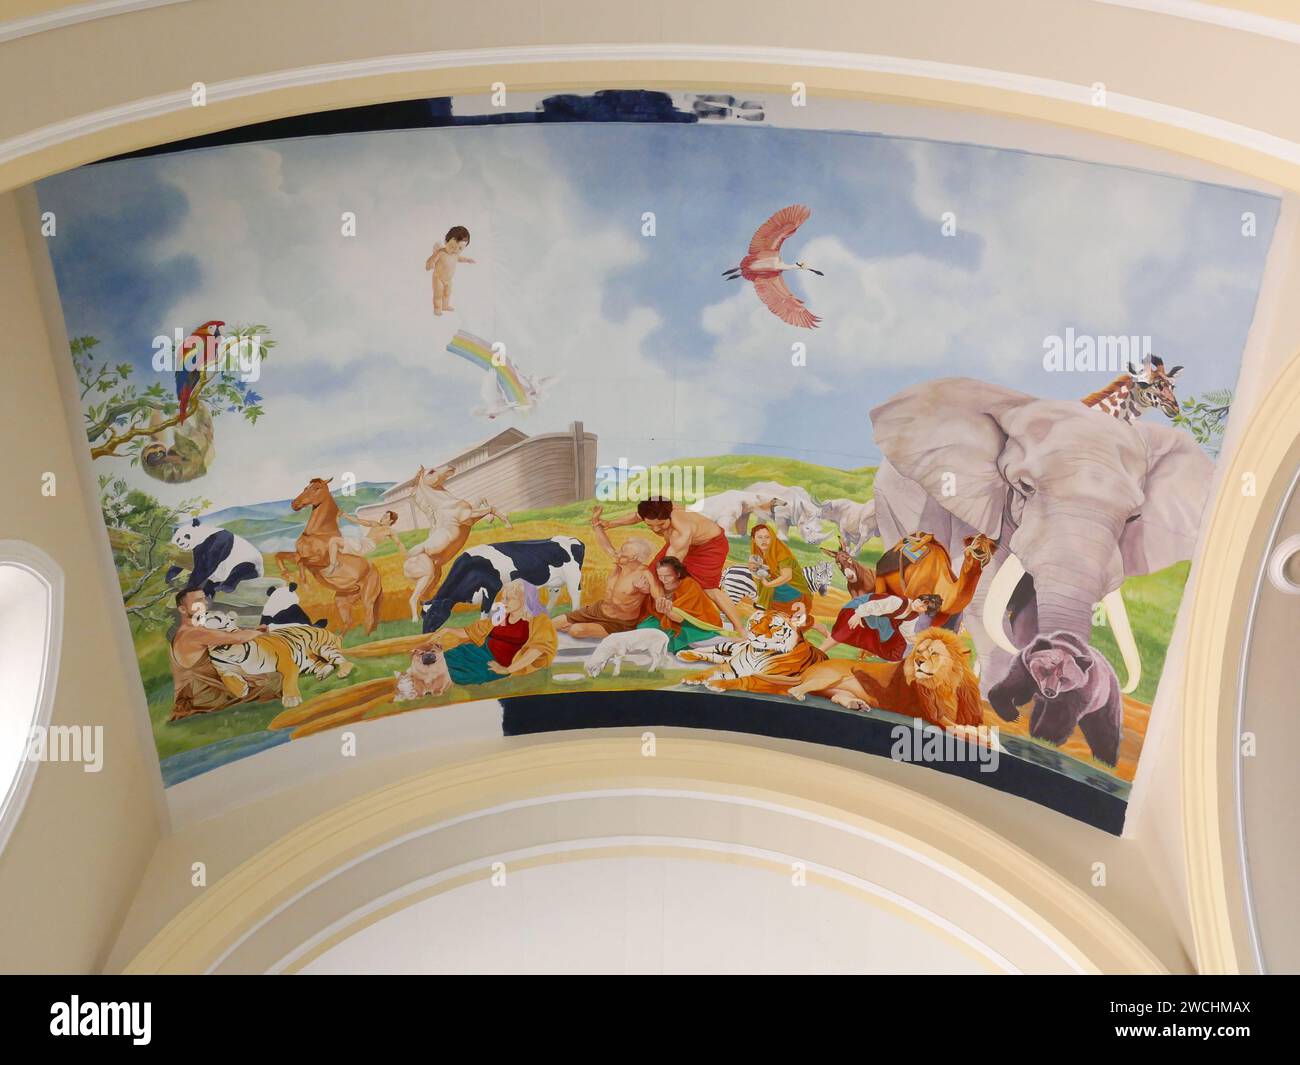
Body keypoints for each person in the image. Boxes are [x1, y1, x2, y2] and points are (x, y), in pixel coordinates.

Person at [596, 497, 744, 634]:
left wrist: (655, 587)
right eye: (650, 525)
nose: (656, 529)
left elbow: (669, 570)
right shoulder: (654, 509)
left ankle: (740, 630)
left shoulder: (680, 532)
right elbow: (636, 516)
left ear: (669, 516)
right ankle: (640, 620)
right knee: (649, 575)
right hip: (683, 544)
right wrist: (610, 524)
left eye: (661, 524)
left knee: (709, 589)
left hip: (709, 546)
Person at [167, 589, 280, 721]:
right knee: (275, 677)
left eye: (204, 599)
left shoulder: (194, 630)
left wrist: (252, 632)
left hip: (209, 690)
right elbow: (235, 638)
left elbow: (229, 638)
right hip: (205, 698)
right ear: (182, 609)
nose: (204, 604)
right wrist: (260, 633)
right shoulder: (192, 633)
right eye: (197, 601)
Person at [424, 579, 557, 684]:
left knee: (465, 676)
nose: (503, 602)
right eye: (503, 597)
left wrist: (507, 670)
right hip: (479, 650)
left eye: (508, 598)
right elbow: (474, 631)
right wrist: (448, 630)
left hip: (497, 662)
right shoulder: (502, 614)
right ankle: (420, 679)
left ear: (523, 600)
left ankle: (430, 682)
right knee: (445, 658)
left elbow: (537, 649)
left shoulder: (539, 620)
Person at [555, 509, 656, 638]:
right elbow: (606, 546)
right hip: (597, 611)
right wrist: (596, 524)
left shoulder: (645, 573)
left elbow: (659, 595)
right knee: (555, 622)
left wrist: (646, 590)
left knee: (575, 631)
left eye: (623, 551)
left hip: (619, 623)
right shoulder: (621, 563)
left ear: (634, 557)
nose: (617, 553)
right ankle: (592, 624)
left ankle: (599, 629)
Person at [749, 522, 832, 640]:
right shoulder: (758, 554)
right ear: (753, 539)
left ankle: (821, 631)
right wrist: (755, 570)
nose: (764, 540)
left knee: (792, 627)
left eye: (767, 537)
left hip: (792, 595)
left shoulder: (781, 553)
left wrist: (768, 584)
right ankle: (818, 628)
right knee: (779, 627)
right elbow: (763, 574)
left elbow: (786, 576)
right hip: (774, 597)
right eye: (760, 537)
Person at [635, 555, 723, 654]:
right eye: (660, 576)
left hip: (693, 623)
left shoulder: (689, 585)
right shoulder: (659, 585)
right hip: (667, 619)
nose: (663, 580)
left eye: (668, 576)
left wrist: (667, 611)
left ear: (677, 574)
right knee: (643, 628)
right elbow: (653, 607)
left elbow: (681, 618)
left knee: (680, 636)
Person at [821, 592, 942, 661]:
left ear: (924, 611)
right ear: (919, 598)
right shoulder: (897, 602)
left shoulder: (913, 616)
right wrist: (858, 614)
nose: (919, 605)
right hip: (859, 608)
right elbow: (874, 605)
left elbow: (906, 632)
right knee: (845, 631)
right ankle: (819, 652)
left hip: (873, 618)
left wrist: (918, 641)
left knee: (897, 644)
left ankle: (870, 651)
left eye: (923, 607)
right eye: (921, 601)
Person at [323, 509, 405, 576]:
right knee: (334, 541)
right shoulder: (375, 524)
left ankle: (333, 565)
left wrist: (405, 555)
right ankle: (334, 564)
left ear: (391, 521)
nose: (383, 517)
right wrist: (344, 515)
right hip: (362, 541)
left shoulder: (389, 531)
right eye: (383, 515)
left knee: (334, 540)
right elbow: (358, 521)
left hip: (367, 545)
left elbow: (398, 543)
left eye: (386, 517)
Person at [424, 225, 475, 315]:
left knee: (447, 293)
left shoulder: (456, 254)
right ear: (446, 242)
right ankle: (437, 308)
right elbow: (431, 260)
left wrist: (467, 260)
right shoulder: (441, 253)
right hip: (438, 278)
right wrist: (431, 263)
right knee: (438, 295)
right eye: (452, 246)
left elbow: (459, 258)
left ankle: (445, 306)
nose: (455, 250)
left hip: (448, 280)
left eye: (460, 248)